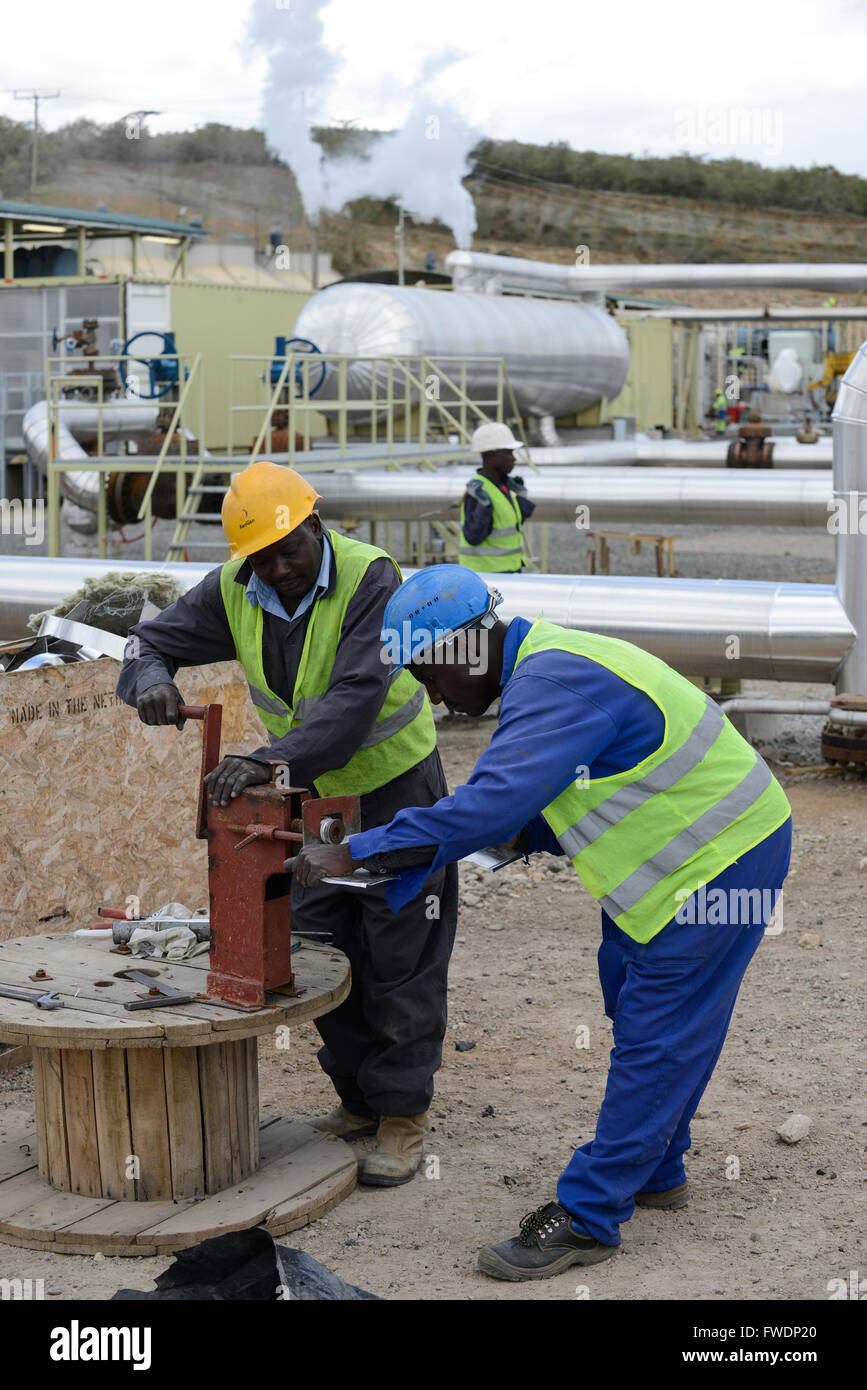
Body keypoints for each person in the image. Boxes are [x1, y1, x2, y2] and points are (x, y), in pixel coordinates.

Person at [292, 565, 793, 1279]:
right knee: (638, 1004)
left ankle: (589, 1217)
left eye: (429, 676)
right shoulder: (548, 665)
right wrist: (516, 831)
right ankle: (657, 1168)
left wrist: (356, 850)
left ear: (464, 647)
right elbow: (583, 781)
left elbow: (489, 805)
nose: (432, 696)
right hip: (674, 861)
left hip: (717, 863)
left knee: (657, 1033)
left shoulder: (552, 683)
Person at [116, 462, 458, 1187]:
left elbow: (357, 695)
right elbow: (148, 640)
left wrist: (267, 759)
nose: (279, 568)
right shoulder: (239, 587)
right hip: (311, 800)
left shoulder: (372, 580)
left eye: (289, 550)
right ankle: (359, 1101)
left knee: (400, 951)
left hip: (396, 793)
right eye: (262, 558)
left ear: (315, 524)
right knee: (317, 948)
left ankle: (401, 1116)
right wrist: (150, 677)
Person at [459, 421, 534, 572]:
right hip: (487, 577)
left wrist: (521, 497)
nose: (514, 458)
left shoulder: (501, 487)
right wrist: (483, 508)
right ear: (492, 454)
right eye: (508, 452)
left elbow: (514, 525)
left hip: (508, 571)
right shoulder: (479, 492)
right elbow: (473, 536)